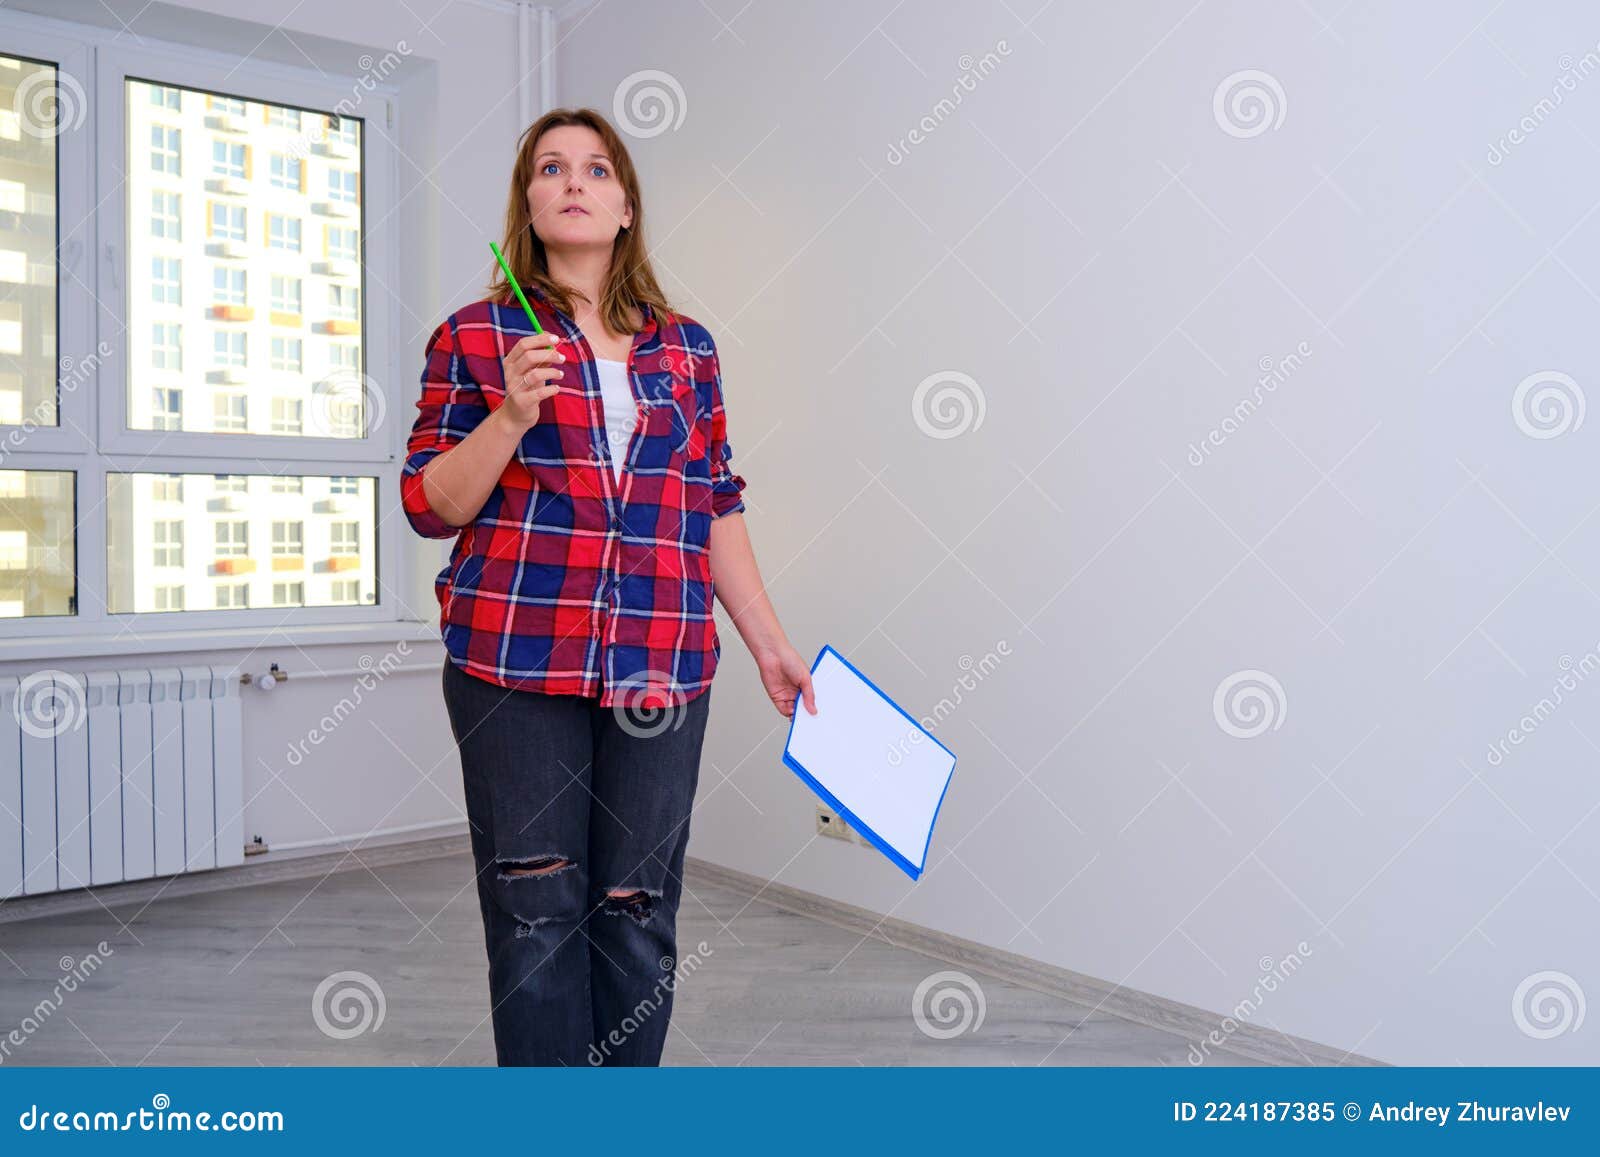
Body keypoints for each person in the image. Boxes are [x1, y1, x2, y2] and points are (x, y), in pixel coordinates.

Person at [400, 107, 815, 1066]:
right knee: (536, 912)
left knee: (638, 912)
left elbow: (713, 503)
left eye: (595, 169)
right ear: (530, 202)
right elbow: (432, 504)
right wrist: (509, 414)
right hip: (513, 661)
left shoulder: (688, 350)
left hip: (662, 668)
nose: (573, 182)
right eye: (551, 169)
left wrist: (768, 642)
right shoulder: (474, 336)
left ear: (626, 205)